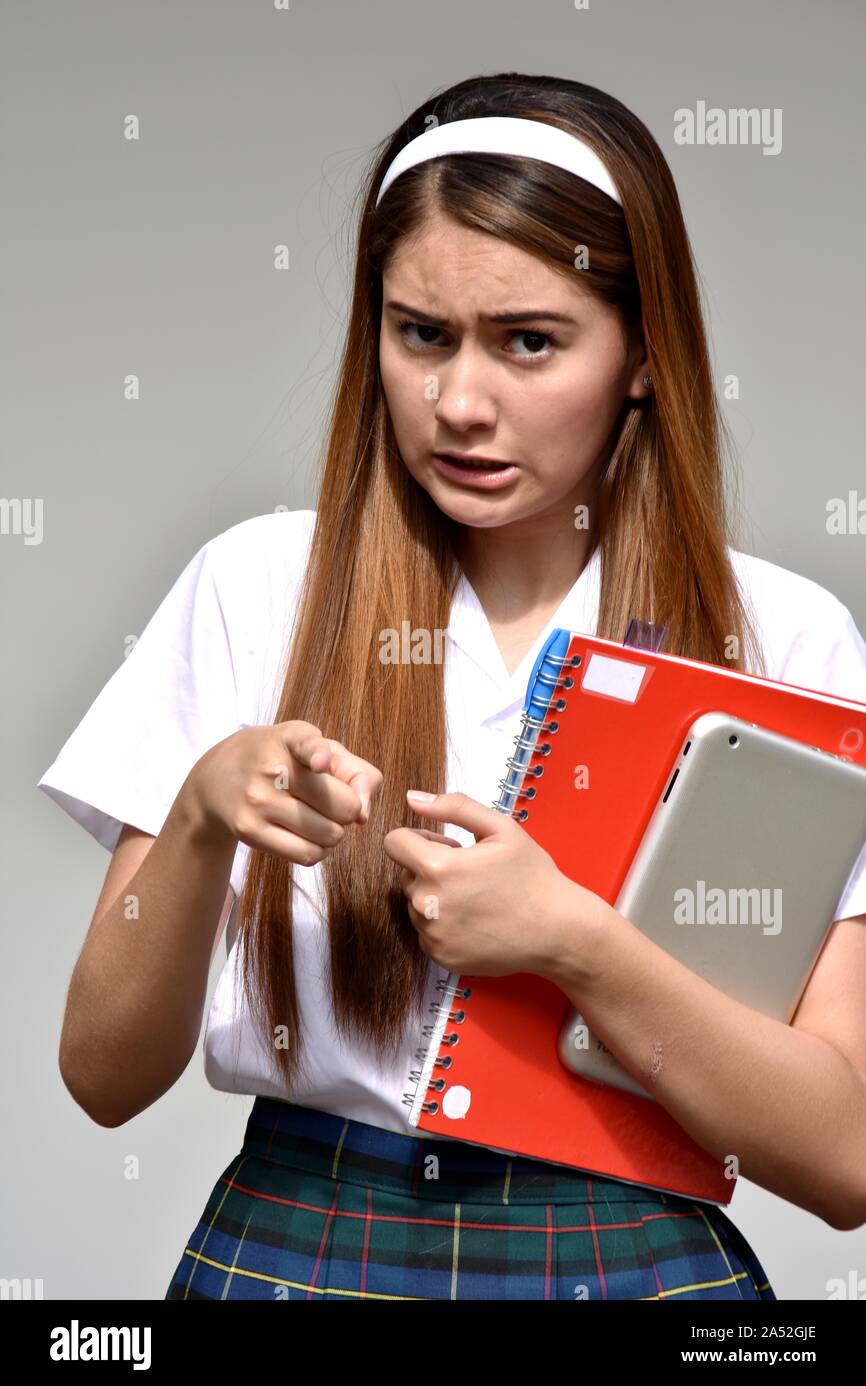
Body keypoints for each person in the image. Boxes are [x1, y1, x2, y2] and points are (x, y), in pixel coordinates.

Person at [38, 73, 866, 1302]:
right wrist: (205, 816)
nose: (458, 404)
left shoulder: (782, 636)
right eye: (419, 334)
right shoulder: (259, 583)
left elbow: (843, 1161)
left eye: (528, 342)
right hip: (297, 1246)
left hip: (629, 1255)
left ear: (643, 356)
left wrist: (575, 946)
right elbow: (102, 1078)